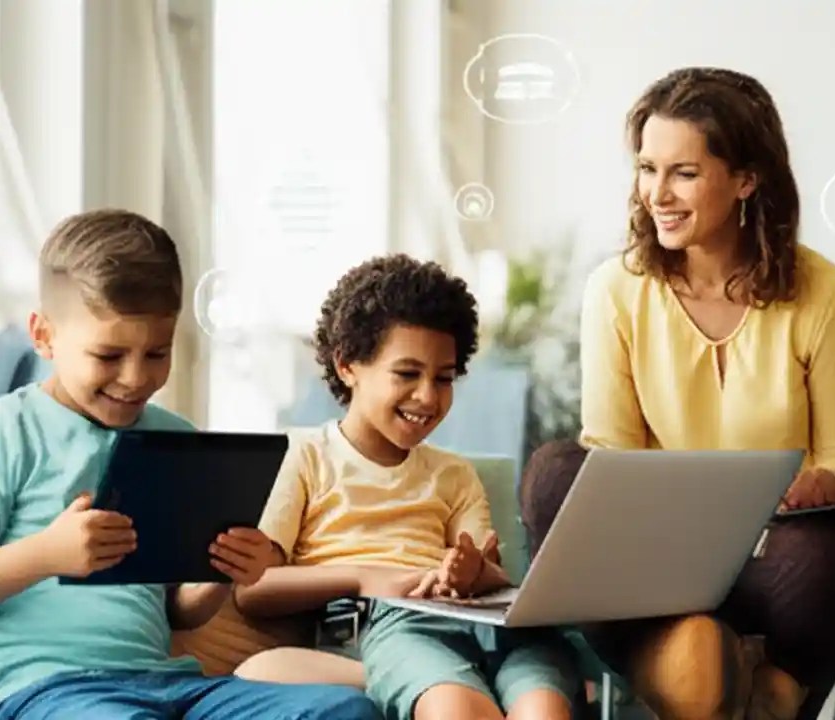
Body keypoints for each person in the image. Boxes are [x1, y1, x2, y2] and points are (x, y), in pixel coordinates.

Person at [519, 66, 835, 720]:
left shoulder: (828, 295)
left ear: (746, 179)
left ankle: (770, 690)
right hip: (654, 569)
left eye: (684, 173)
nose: (658, 194)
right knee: (554, 474)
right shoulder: (616, 290)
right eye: (647, 169)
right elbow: (610, 461)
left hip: (775, 565)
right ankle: (709, 666)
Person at [0, 209, 380, 720]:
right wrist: (46, 554)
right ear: (44, 335)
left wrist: (220, 572)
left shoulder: (175, 439)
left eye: (157, 353)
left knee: (344, 710)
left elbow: (181, 611)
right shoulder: (11, 431)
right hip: (50, 689)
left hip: (169, 682)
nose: (135, 377)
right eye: (108, 356)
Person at [232, 255, 580, 720]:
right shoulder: (302, 455)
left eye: (444, 378)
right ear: (348, 365)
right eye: (407, 374)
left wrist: (471, 571)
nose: (428, 397)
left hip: (488, 622)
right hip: (395, 624)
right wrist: (363, 576)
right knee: (456, 708)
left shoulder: (454, 473)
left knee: (544, 707)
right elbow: (253, 588)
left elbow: (490, 575)